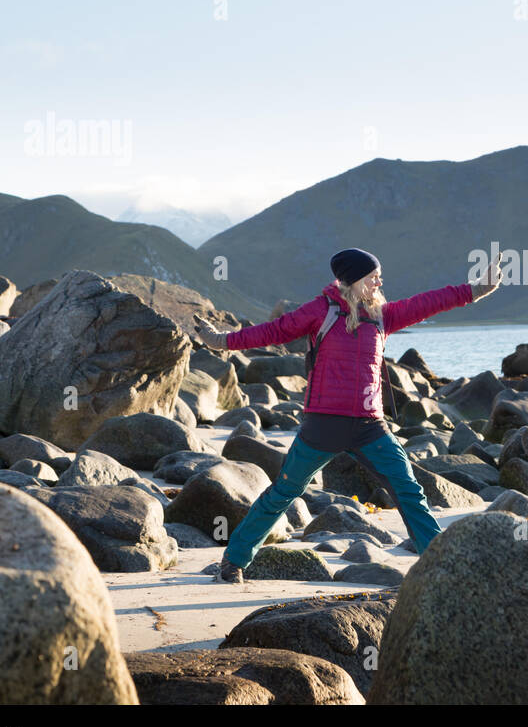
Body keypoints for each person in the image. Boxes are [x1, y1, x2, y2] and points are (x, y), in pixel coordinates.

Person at [191, 247, 500, 583]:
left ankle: (440, 568)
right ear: (352, 280)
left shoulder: (383, 315)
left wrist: (478, 289)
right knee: (284, 491)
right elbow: (273, 331)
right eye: (372, 276)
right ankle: (234, 560)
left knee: (408, 490)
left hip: (371, 426)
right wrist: (220, 340)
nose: (379, 281)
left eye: (378, 276)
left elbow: (430, 301)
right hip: (323, 424)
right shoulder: (321, 311)